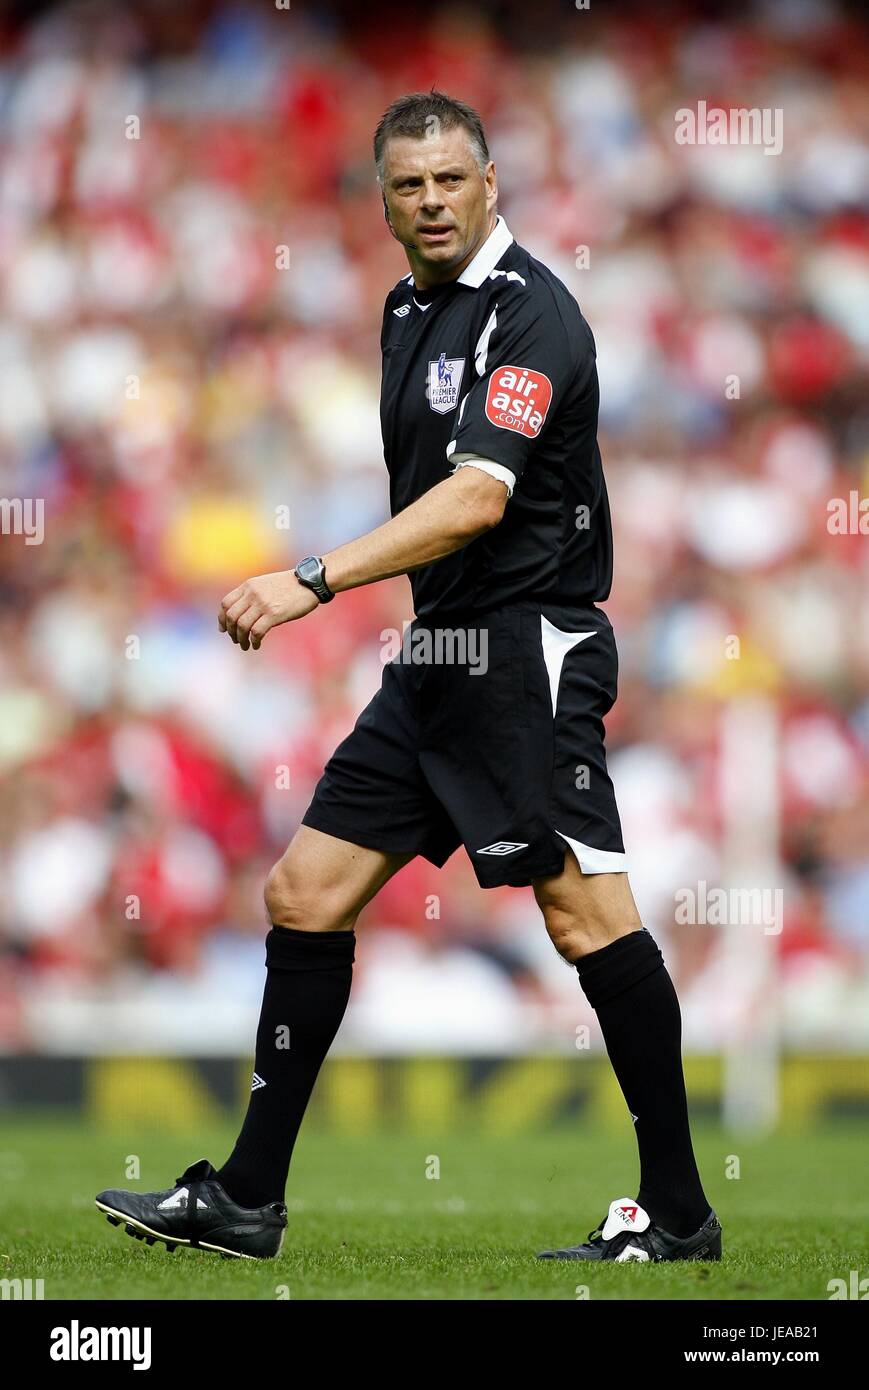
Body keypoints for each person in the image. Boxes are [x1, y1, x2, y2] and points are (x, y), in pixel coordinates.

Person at [95, 91, 721, 1265]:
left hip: (524, 652)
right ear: (381, 199)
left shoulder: (533, 315)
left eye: (449, 179)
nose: (429, 201)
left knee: (586, 917)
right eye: (406, 185)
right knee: (303, 894)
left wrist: (311, 577)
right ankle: (244, 1197)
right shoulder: (404, 306)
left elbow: (481, 496)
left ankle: (678, 1211)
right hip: (438, 655)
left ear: (491, 182)